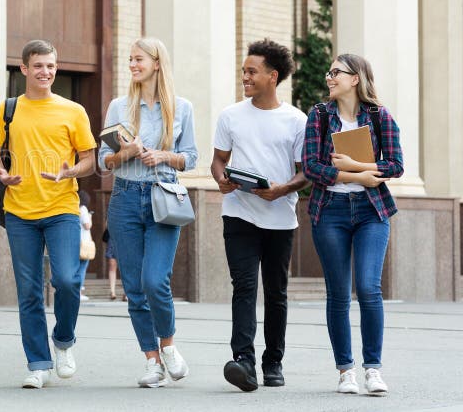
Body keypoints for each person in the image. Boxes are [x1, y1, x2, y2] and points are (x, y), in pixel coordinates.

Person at [0, 39, 97, 389]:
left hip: (62, 207)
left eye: (50, 66)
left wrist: (70, 172)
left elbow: (90, 160)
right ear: (23, 69)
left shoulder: (73, 111)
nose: (45, 72)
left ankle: (63, 339)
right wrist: (1, 174)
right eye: (38, 66)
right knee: (29, 292)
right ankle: (37, 362)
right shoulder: (8, 109)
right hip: (19, 212)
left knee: (67, 280)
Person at [98, 37, 198, 388]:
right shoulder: (118, 108)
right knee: (135, 287)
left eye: (138, 59)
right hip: (124, 199)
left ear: (157, 63)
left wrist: (161, 155)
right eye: (129, 60)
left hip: (163, 198)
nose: (132, 65)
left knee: (156, 280)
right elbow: (102, 161)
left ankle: (168, 345)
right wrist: (125, 153)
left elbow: (191, 157)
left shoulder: (181, 107)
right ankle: (152, 360)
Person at [210, 38, 308, 392]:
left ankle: (273, 362)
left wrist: (282, 189)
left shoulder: (297, 120)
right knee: (245, 287)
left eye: (252, 71)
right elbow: (219, 160)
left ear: (272, 76)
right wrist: (221, 179)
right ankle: (244, 362)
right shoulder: (230, 115)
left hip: (280, 217)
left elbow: (305, 171)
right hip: (238, 214)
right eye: (243, 71)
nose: (245, 77)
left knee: (277, 292)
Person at [302, 54, 403, 396]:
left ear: (355, 78)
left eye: (336, 72)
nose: (329, 77)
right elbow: (313, 168)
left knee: (369, 287)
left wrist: (359, 163)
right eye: (329, 72)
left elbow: (396, 165)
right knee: (338, 293)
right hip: (329, 210)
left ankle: (372, 369)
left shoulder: (379, 116)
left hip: (370, 211)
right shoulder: (318, 115)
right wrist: (356, 174)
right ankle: (346, 371)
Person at [76, 191, 94, 301]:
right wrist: (90, 216)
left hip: (76, 241)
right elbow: (87, 226)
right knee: (82, 268)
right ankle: (78, 292)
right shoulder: (83, 209)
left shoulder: (75, 208)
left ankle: (76, 291)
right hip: (84, 242)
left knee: (76, 268)